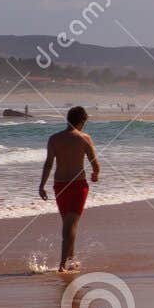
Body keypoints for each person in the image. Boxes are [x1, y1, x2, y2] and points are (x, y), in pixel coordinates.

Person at [39, 106, 101, 272]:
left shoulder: (54, 139)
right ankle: (62, 265)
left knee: (68, 223)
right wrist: (95, 175)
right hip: (77, 186)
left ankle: (71, 260)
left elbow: (48, 164)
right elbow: (95, 163)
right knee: (71, 226)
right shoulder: (84, 138)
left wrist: (41, 185)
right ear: (82, 121)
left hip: (59, 185)